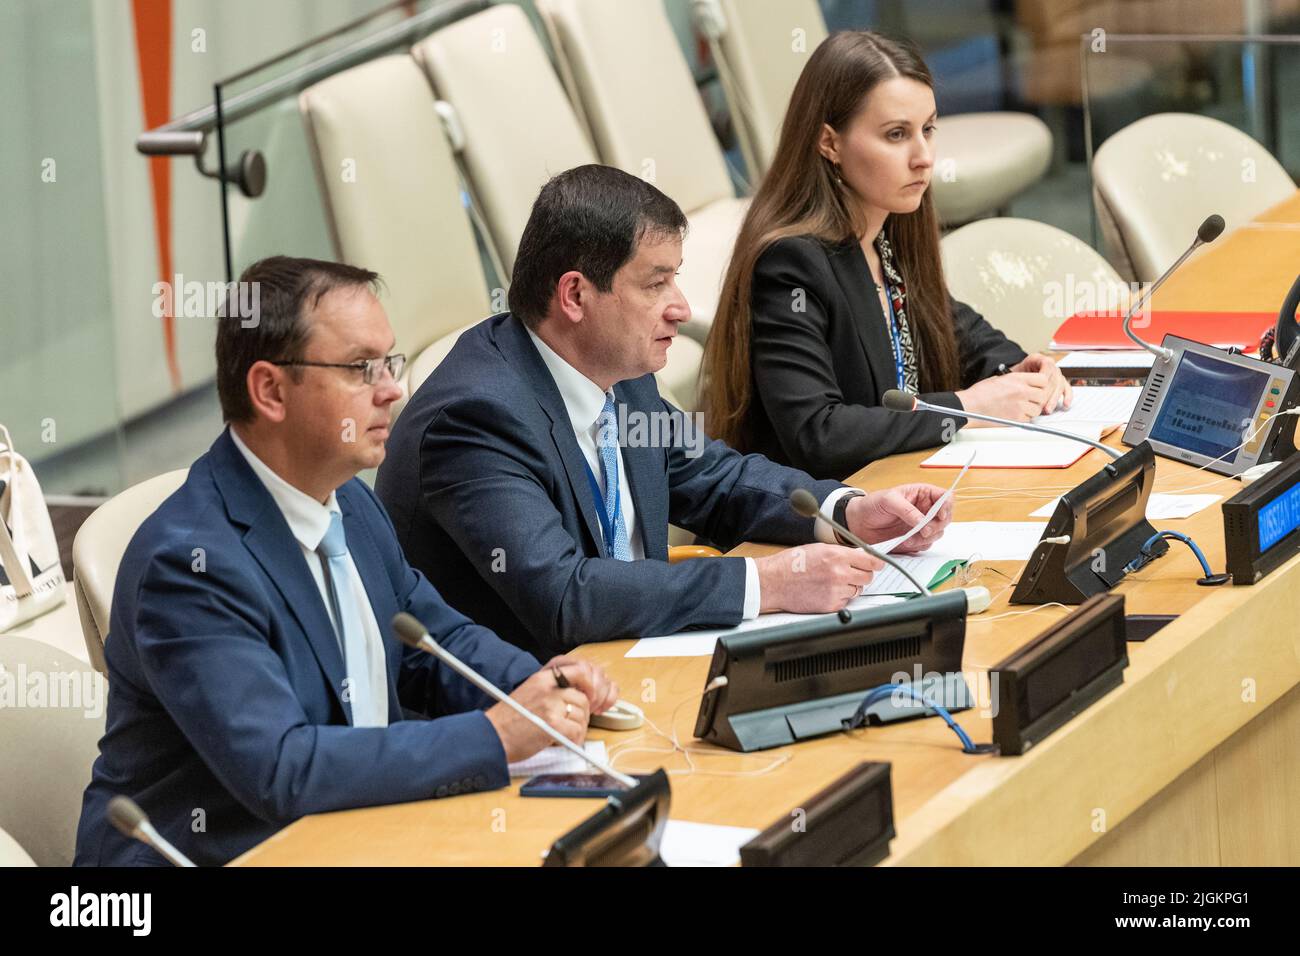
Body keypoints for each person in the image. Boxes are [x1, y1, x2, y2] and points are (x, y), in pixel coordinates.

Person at [74, 256, 617, 866]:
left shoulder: (349, 504)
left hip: (357, 835)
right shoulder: (188, 566)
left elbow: (432, 642)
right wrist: (496, 736)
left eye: (391, 362)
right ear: (270, 390)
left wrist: (537, 687)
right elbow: (283, 771)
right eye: (362, 369)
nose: (392, 390)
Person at [376, 165, 953, 661]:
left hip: (636, 662)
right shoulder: (475, 418)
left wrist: (848, 512)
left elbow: (715, 478)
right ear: (575, 296)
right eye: (656, 284)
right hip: (533, 717)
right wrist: (767, 582)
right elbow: (564, 596)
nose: (680, 308)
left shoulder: (619, 374)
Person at [701, 30, 1073, 481]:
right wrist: (969, 406)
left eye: (928, 129)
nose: (923, 157)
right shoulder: (790, 264)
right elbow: (819, 434)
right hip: (823, 523)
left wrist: (1018, 367)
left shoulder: (885, 231)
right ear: (829, 143)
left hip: (901, 489)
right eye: (896, 135)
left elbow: (955, 328)